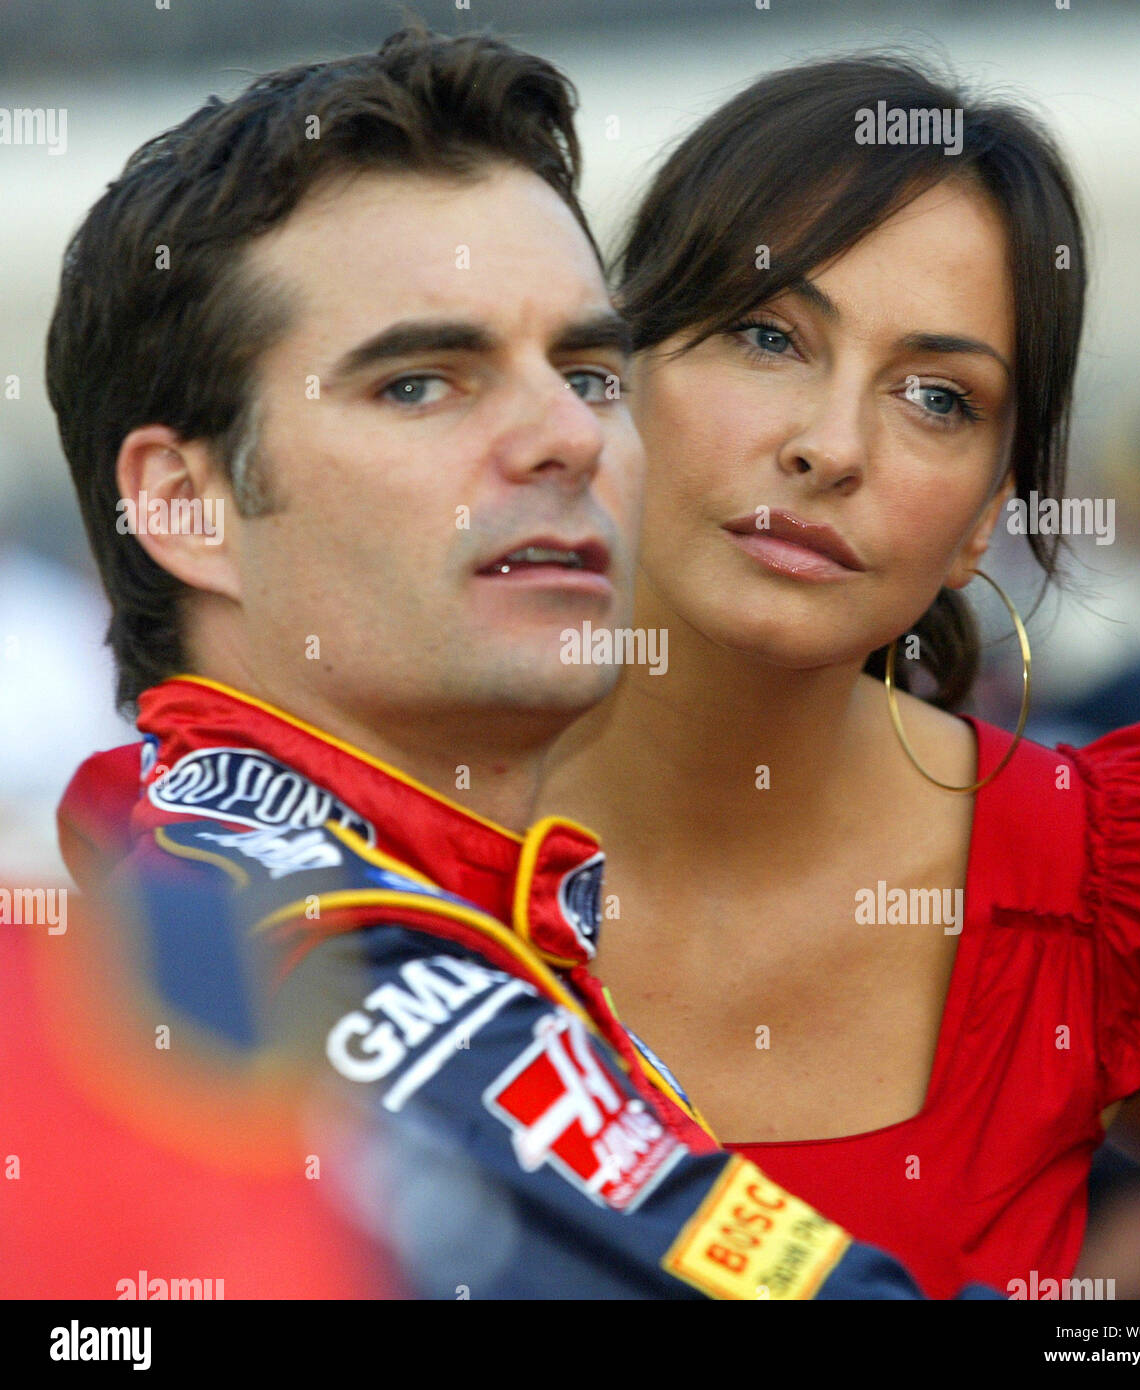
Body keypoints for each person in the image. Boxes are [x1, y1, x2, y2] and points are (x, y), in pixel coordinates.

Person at [42, 25, 990, 1300]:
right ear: (184, 502)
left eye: (589, 372)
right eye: (423, 383)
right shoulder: (329, 961)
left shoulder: (261, 879)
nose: (565, 438)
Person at [537, 56, 1140, 1299]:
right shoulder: (332, 840)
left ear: (983, 521)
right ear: (608, 377)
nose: (831, 446)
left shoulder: (1115, 883)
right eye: (766, 335)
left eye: (935, 397)